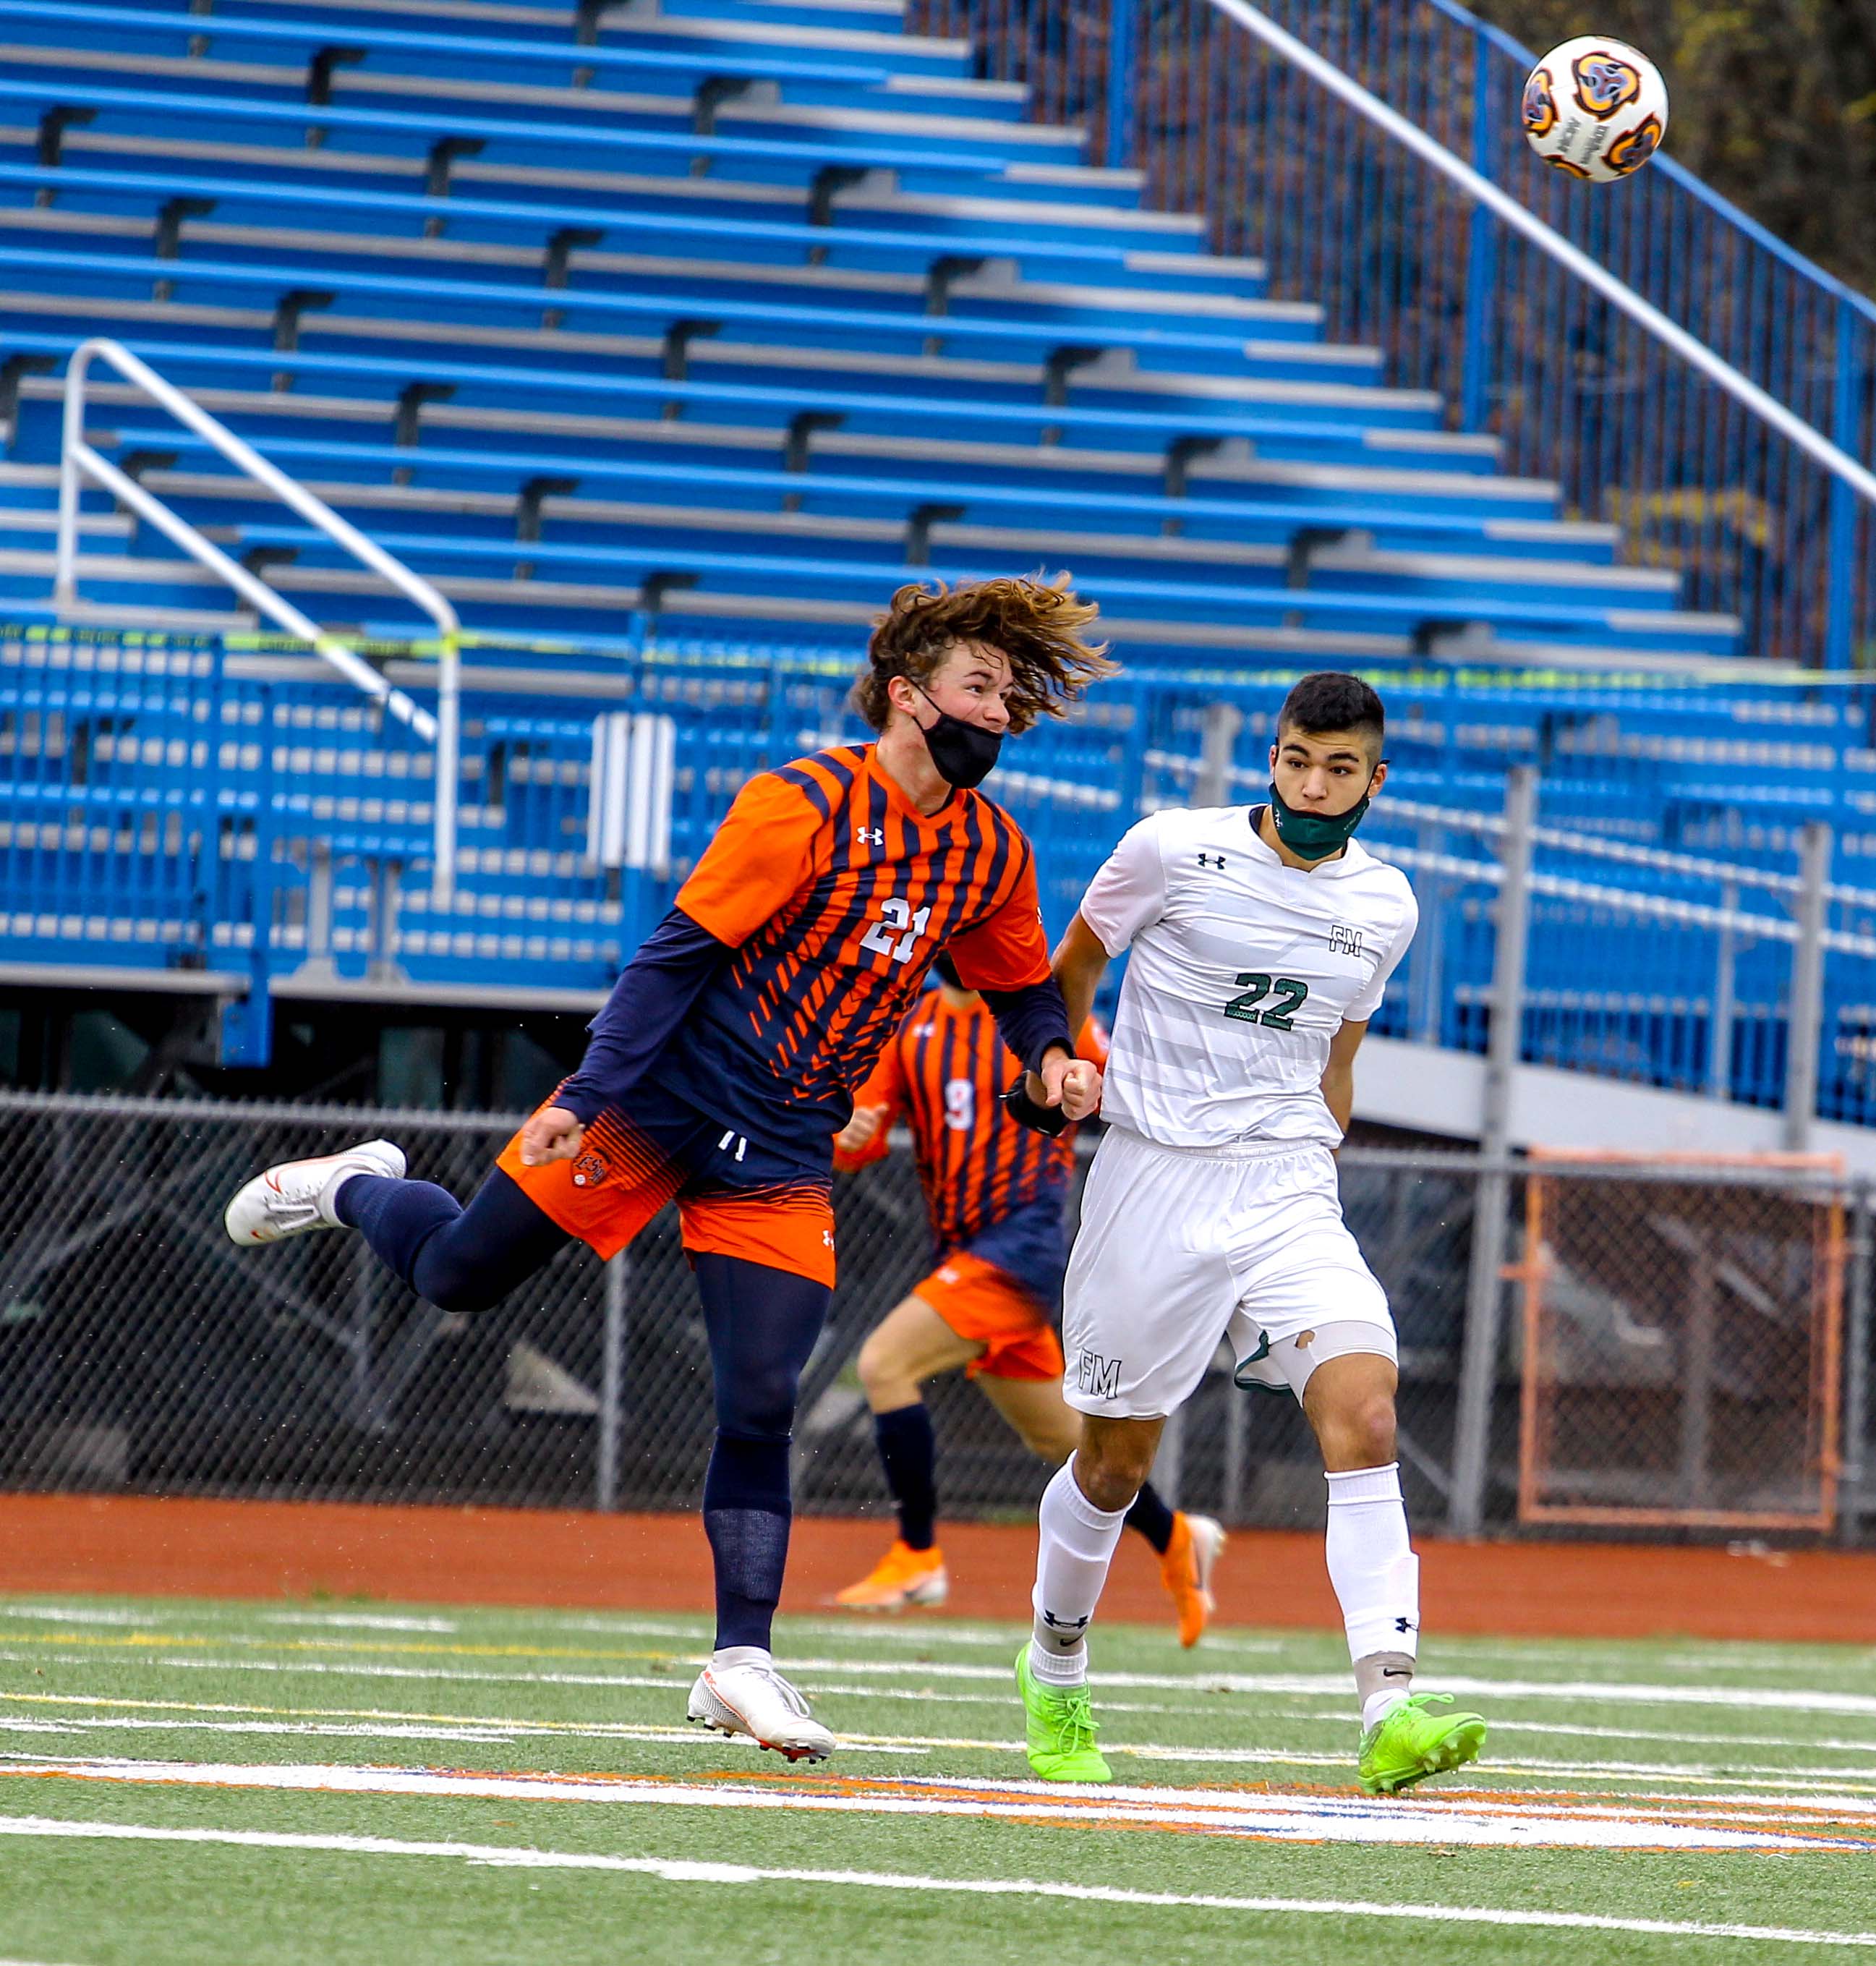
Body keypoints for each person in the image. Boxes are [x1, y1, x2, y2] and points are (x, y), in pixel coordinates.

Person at [222, 575, 1114, 1766]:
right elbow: (672, 956)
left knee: (758, 1395)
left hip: (785, 1144)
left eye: (1009, 692)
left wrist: (1050, 1059)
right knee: (454, 1275)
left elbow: (1015, 991)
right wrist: (583, 1096)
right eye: (976, 686)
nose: (998, 710)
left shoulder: (991, 850)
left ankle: (737, 1654)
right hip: (659, 1098)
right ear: (905, 696)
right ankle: (347, 1184)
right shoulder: (800, 802)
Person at [1012, 671, 1488, 1795]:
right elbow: (1068, 970)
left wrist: (1316, 1147)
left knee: (1365, 1407)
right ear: (1269, 758)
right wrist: (1061, 1061)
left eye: (1337, 767)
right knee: (1116, 1460)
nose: (1310, 784)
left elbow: (1337, 1055)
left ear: (1376, 778)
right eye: (1293, 759)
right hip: (1152, 1176)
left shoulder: (1389, 904)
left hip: (1284, 1185)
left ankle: (1389, 1703)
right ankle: (1055, 1668)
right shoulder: (1170, 848)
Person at [830, 952, 1225, 1644]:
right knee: (1068, 1440)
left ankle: (917, 1555)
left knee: (883, 1365)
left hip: (1019, 1247)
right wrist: (848, 1134)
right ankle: (1176, 1536)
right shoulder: (913, 1023)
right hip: (961, 1250)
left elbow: (1111, 1081)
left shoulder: (1040, 1018)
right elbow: (860, 1134)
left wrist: (1089, 1082)